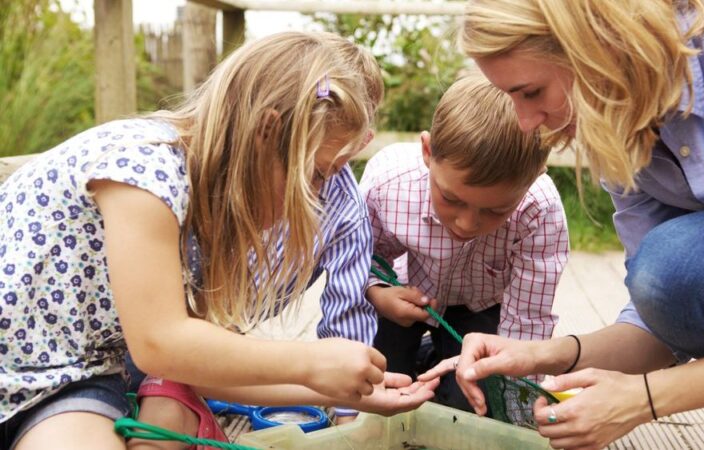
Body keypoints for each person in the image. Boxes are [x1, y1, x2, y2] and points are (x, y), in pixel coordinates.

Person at [0, 31, 438, 450]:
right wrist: (310, 360)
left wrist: (339, 391)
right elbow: (159, 343)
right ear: (266, 133)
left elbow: (192, 367)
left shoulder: (208, 217)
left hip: (73, 380)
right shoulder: (145, 170)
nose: (320, 196)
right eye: (316, 174)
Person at [419, 0, 704, 448]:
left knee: (673, 265)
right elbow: (662, 320)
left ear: (590, 45)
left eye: (531, 92)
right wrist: (545, 355)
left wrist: (643, 399)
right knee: (668, 276)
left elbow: (658, 348)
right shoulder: (617, 127)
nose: (525, 124)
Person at [360, 73, 569, 420]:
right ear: (428, 152)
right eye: (451, 199)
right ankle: (424, 354)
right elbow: (359, 257)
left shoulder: (540, 210)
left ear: (535, 177)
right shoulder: (388, 182)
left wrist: (516, 416)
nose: (467, 223)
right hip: (402, 298)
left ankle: (435, 358)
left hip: (483, 308)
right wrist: (377, 293)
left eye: (495, 210)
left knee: (473, 404)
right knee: (381, 386)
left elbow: (527, 325)